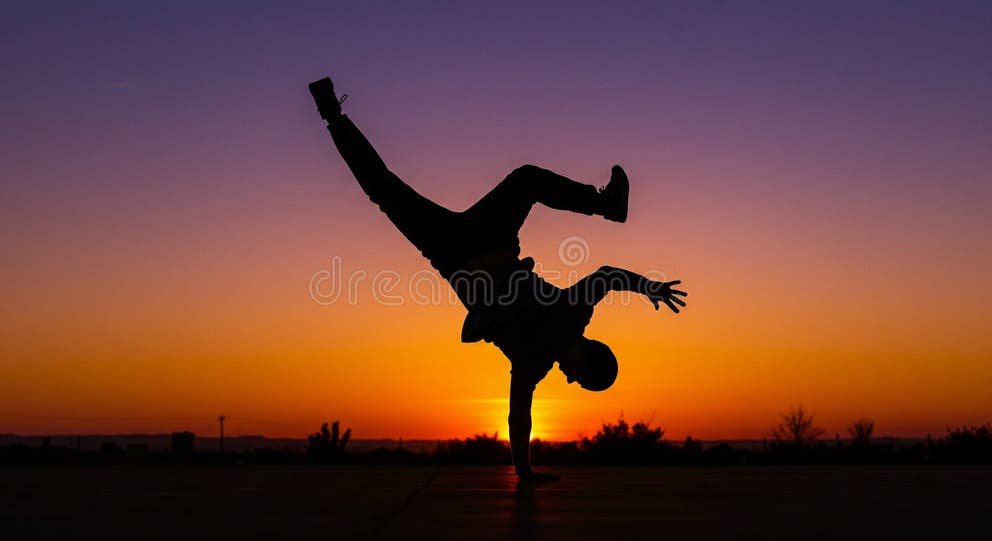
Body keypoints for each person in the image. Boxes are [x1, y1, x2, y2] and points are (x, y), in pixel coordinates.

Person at [309, 77, 687, 481]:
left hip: (450, 252)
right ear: (589, 351)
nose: (570, 378)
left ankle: (332, 114)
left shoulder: (533, 362)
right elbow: (607, 277)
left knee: (383, 188)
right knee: (526, 179)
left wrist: (523, 472)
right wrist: (649, 287)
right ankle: (604, 204)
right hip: (494, 237)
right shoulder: (573, 313)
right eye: (581, 375)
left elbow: (518, 414)